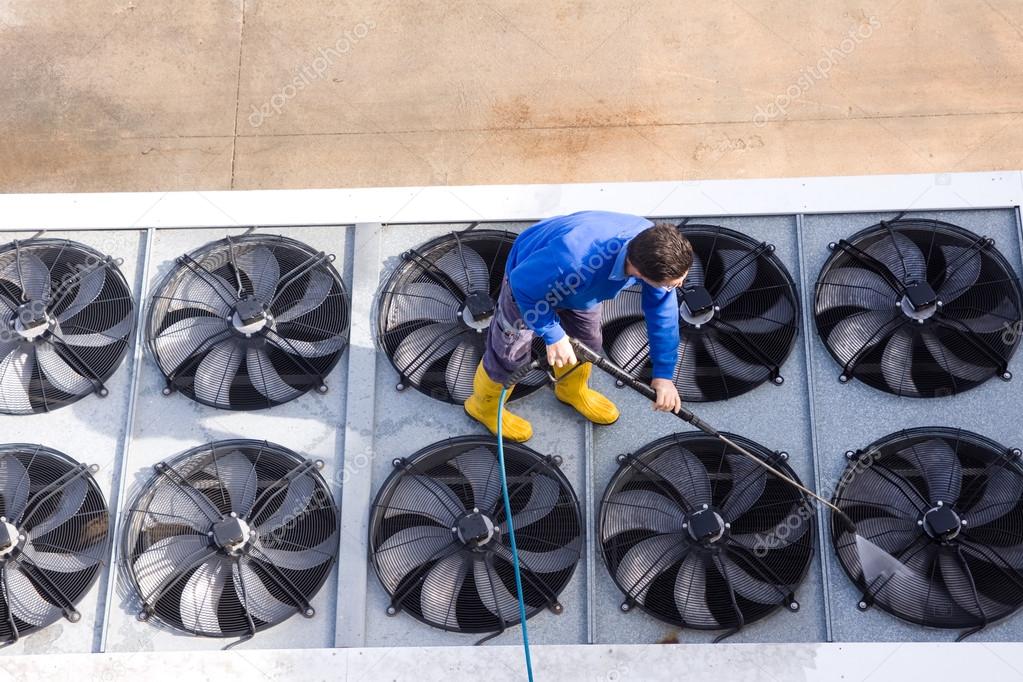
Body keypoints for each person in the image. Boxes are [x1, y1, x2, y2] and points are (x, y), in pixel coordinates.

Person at [464, 211, 694, 442]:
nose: (680, 285)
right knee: (509, 357)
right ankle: (484, 408)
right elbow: (521, 285)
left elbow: (663, 315)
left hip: (581, 289)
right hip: (531, 283)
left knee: (588, 344)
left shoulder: (653, 247)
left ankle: (571, 390)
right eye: (671, 285)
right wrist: (553, 334)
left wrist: (663, 375)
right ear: (639, 272)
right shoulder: (572, 258)